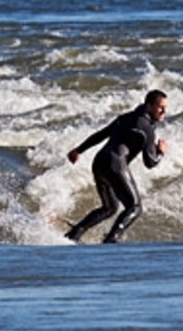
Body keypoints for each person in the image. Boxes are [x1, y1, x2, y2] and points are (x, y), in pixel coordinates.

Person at [64, 89, 168, 244]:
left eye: (165, 107)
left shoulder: (125, 118)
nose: (164, 111)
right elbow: (150, 162)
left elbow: (101, 134)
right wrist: (161, 152)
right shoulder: (147, 127)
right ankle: (112, 239)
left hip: (99, 162)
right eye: (160, 107)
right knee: (135, 207)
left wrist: (78, 150)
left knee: (110, 207)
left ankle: (73, 235)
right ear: (148, 106)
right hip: (115, 164)